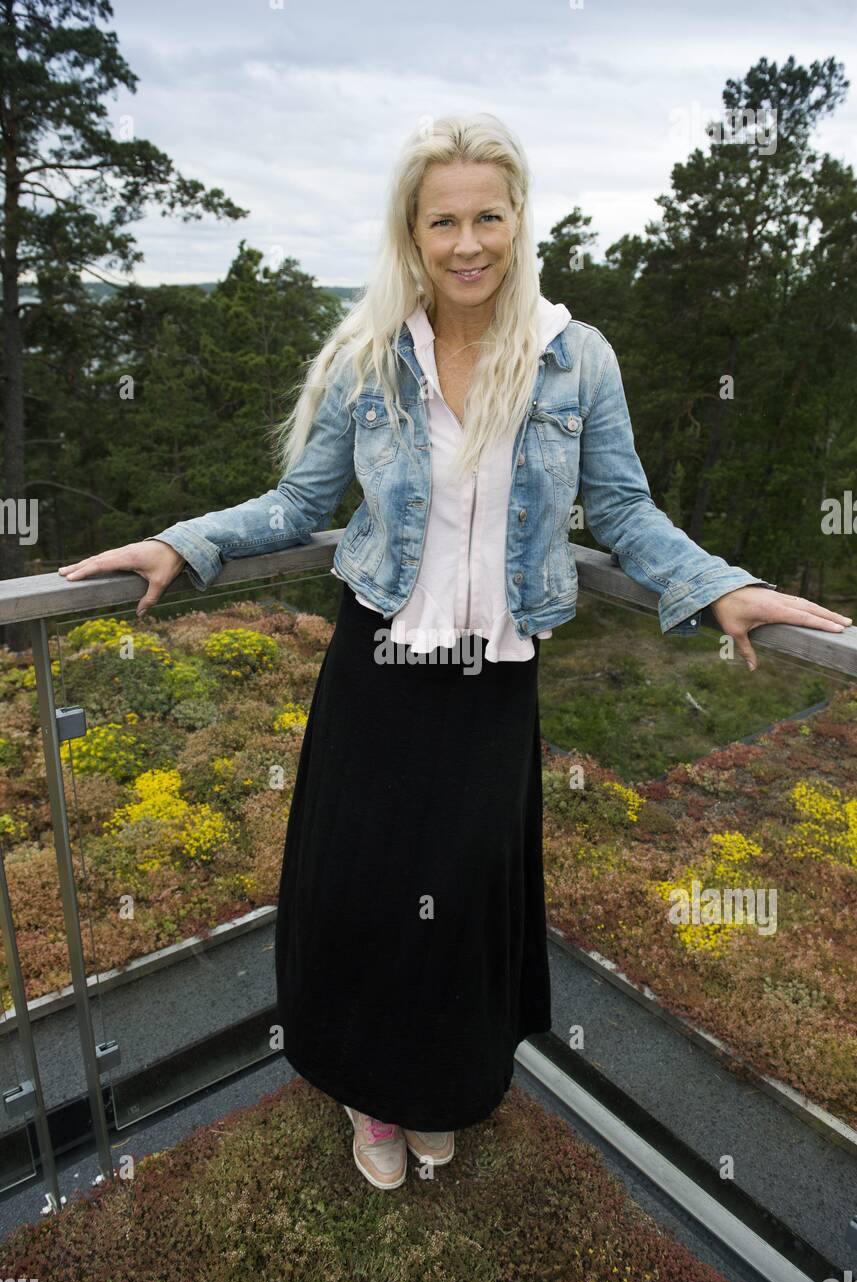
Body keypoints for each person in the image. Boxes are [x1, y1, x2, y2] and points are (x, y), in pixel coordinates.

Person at [59, 112, 852, 1193]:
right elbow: (301, 502)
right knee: (363, 891)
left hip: (493, 680)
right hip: (380, 666)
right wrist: (178, 544)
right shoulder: (366, 354)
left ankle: (439, 1085)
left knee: (463, 898)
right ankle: (367, 1092)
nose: (468, 242)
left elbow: (620, 508)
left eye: (487, 215)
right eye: (444, 221)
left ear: (519, 219)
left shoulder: (575, 358)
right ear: (411, 230)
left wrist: (723, 585)